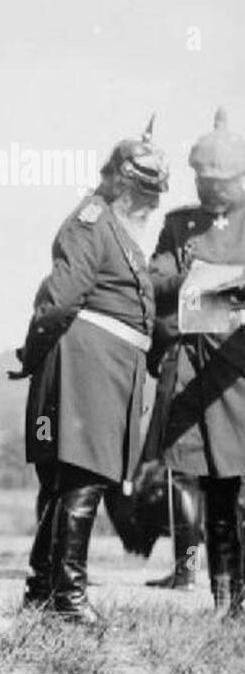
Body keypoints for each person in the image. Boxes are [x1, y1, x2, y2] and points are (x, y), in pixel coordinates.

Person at [13, 117, 168, 624]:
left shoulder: (114, 226)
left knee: (68, 481)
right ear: (120, 180)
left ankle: (44, 593)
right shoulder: (90, 221)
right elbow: (60, 299)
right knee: (83, 477)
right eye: (145, 191)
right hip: (86, 362)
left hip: (107, 365)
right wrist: (35, 353)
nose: (151, 202)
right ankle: (69, 600)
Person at [144, 107, 245, 616]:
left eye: (222, 183)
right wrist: (184, 278)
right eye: (203, 183)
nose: (212, 193)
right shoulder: (180, 225)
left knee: (240, 489)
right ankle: (222, 599)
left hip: (239, 374)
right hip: (193, 375)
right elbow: (155, 276)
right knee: (207, 485)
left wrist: (217, 293)